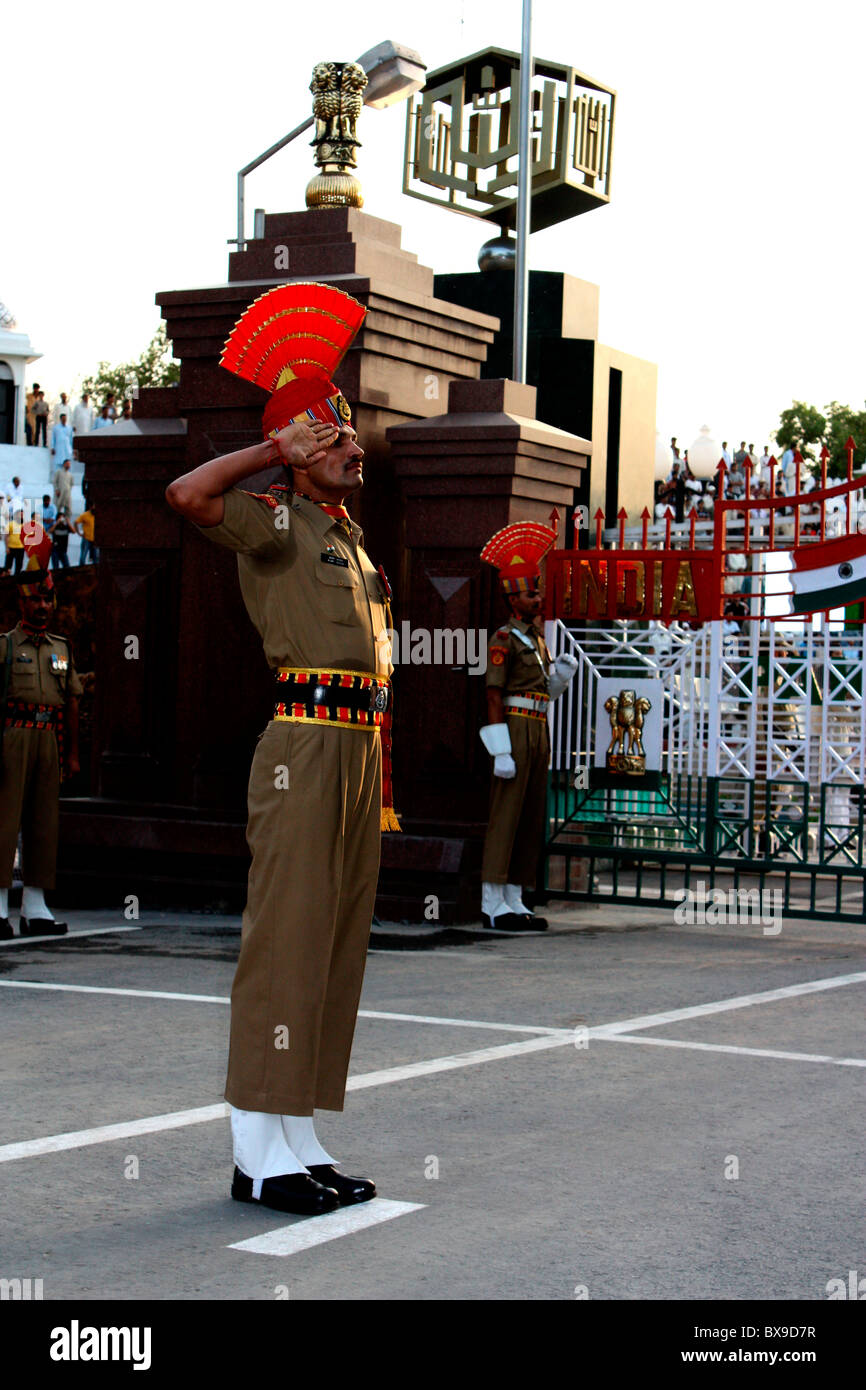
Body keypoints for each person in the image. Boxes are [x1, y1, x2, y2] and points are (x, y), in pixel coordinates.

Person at [166, 281, 391, 1219]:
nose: (352, 448)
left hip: (359, 751)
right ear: (299, 453)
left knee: (334, 948)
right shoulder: (278, 521)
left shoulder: (352, 539)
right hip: (303, 744)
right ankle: (256, 1154)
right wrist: (269, 449)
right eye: (331, 437)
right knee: (285, 943)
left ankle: (300, 1135)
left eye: (349, 433)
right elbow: (184, 494)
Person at [478, 522, 577, 932]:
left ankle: (515, 896)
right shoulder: (503, 637)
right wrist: (500, 749)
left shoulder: (537, 638)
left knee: (531, 814)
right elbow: (494, 695)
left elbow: (542, 692)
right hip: (515, 728)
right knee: (506, 814)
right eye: (531, 592)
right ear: (512, 598)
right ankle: (491, 901)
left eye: (537, 591)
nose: (538, 598)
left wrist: (561, 679)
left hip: (538, 728)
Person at [0, 547, 82, 939]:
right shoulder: (6, 646)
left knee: (43, 823)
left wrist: (72, 754)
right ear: (22, 601)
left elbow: (71, 701)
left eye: (48, 599)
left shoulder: (60, 648)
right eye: (36, 599)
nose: (44, 606)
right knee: (4, 821)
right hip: (12, 737)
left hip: (49, 738)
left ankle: (35, 906)